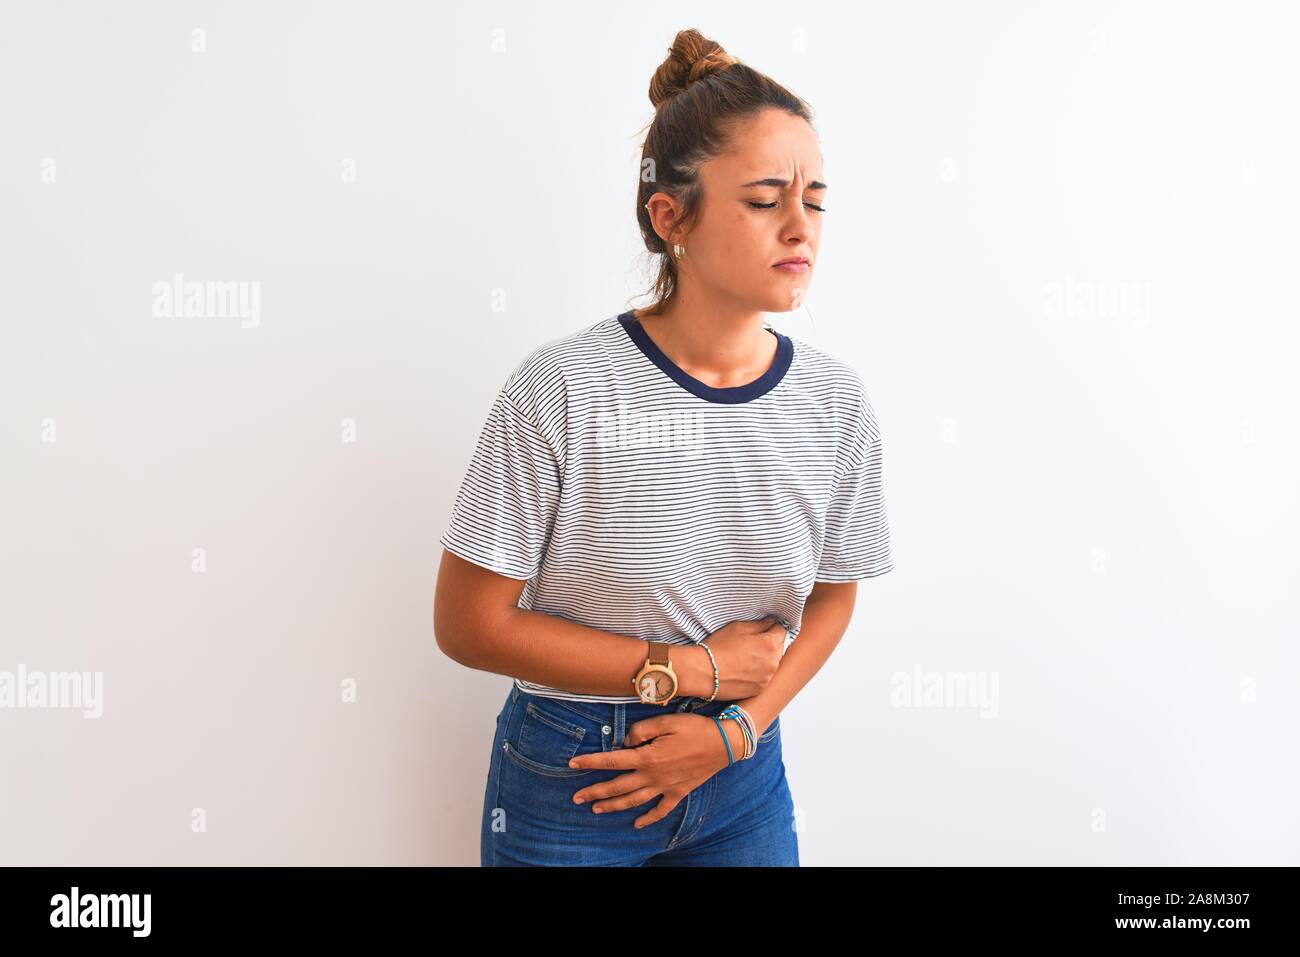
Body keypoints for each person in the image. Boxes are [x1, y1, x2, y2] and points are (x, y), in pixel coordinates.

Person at [434, 27, 894, 866]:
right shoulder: (562, 387)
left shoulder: (836, 401)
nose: (802, 226)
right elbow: (467, 623)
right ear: (670, 214)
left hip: (742, 772)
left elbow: (835, 596)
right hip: (576, 770)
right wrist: (689, 672)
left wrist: (733, 733)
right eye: (765, 199)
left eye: (816, 199)